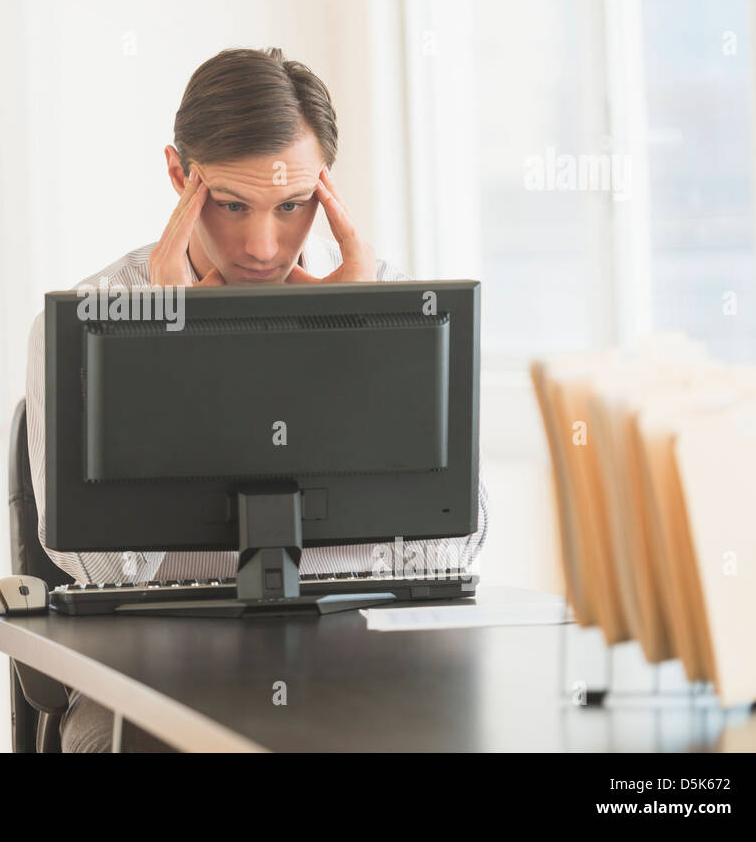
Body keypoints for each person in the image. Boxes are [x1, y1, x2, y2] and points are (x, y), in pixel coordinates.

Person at [24, 47, 490, 751]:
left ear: (324, 189)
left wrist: (361, 346)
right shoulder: (93, 322)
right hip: (154, 688)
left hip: (360, 678)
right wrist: (163, 354)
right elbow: (109, 570)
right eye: (232, 204)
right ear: (180, 175)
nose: (263, 246)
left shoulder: (403, 310)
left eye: (292, 205)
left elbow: (456, 544)